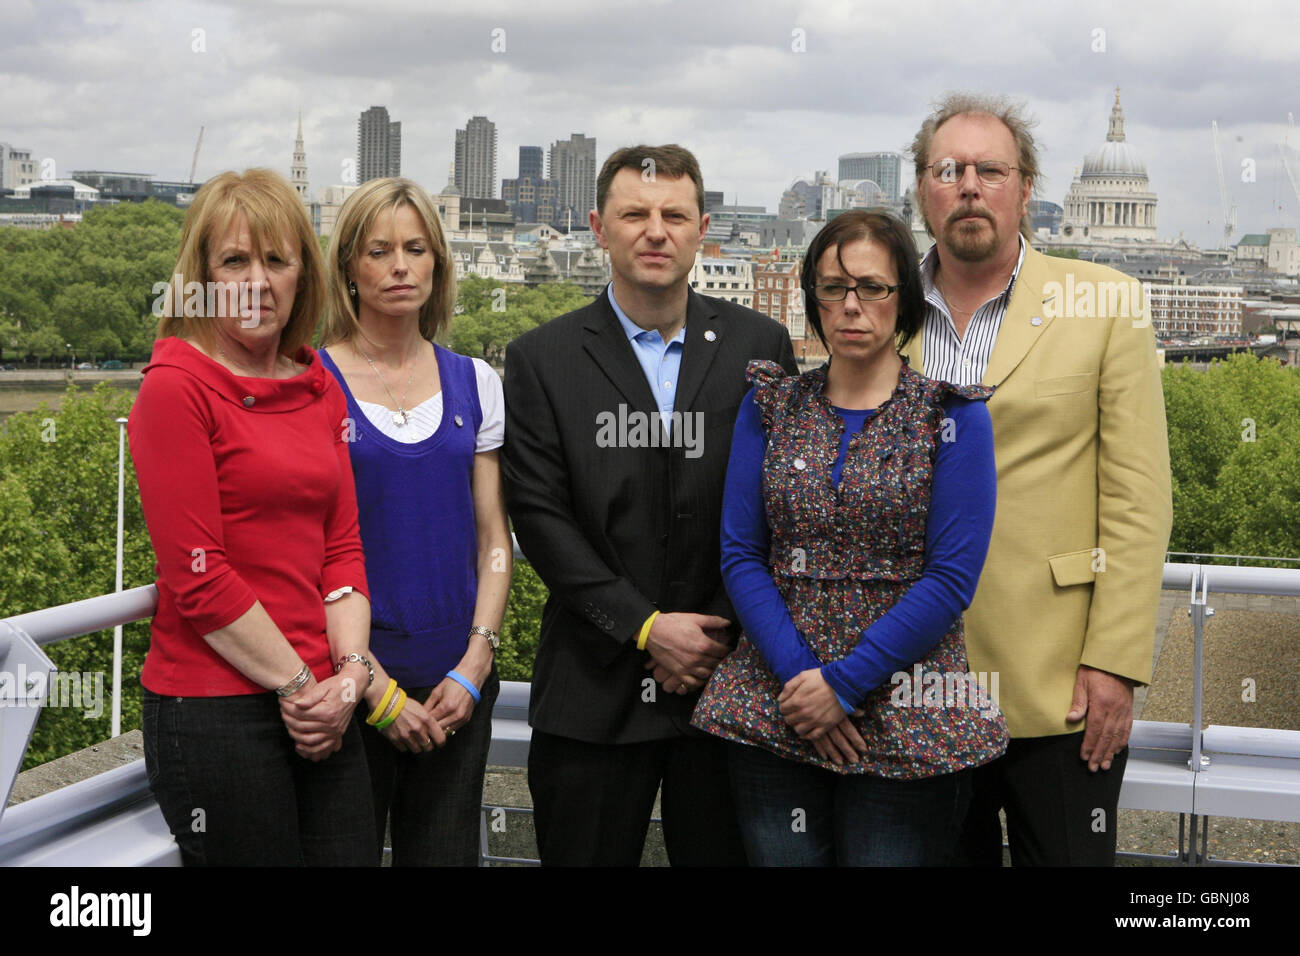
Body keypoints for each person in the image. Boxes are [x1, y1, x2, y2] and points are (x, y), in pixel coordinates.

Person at [502, 144, 797, 866]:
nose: (655, 231)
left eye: (674, 215)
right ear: (600, 228)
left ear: (703, 230)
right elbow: (540, 519)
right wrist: (646, 628)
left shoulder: (761, 345)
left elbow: (779, 504)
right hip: (592, 689)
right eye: (635, 214)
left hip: (728, 685)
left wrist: (714, 631)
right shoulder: (542, 357)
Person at [903, 93, 1173, 865]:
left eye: (991, 170)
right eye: (948, 169)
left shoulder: (1107, 304)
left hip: (1062, 689)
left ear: (1027, 188)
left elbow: (1139, 499)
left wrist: (1116, 663)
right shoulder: (878, 311)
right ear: (923, 188)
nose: (969, 186)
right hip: (913, 686)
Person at [691, 210, 1006, 866]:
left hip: (909, 708)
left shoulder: (953, 417)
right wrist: (806, 680)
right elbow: (742, 554)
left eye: (873, 287)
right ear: (814, 300)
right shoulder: (771, 406)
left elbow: (951, 578)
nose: (851, 305)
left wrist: (845, 684)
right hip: (778, 700)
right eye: (833, 288)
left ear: (905, 300)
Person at [130, 168, 418, 866]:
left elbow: (342, 549)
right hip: (217, 709)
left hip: (324, 703)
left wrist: (349, 675)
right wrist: (299, 686)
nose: (257, 281)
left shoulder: (319, 387)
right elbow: (199, 578)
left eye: (276, 261)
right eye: (234, 260)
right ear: (199, 277)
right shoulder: (174, 391)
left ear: (302, 277)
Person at [319, 177, 512, 866]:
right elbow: (302, 552)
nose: (400, 266)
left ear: (437, 263)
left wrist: (476, 662)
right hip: (347, 687)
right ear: (348, 266)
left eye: (415, 248)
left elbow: (494, 539)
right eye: (379, 250)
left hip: (456, 687)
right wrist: (371, 684)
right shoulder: (309, 384)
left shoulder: (476, 383)